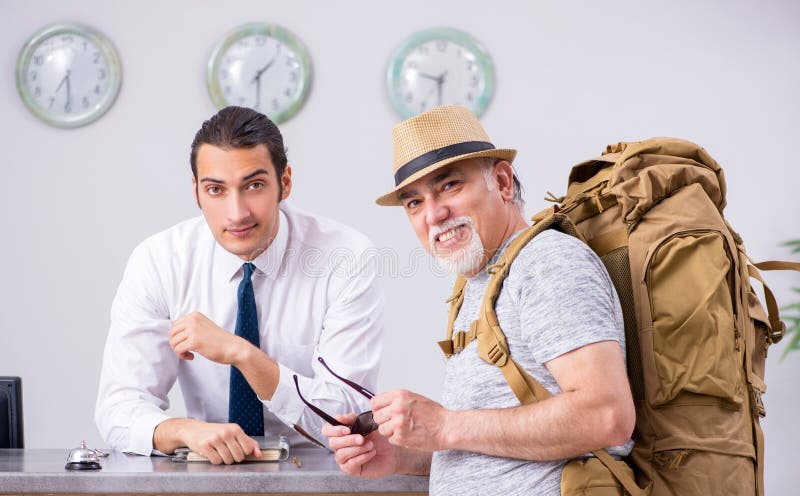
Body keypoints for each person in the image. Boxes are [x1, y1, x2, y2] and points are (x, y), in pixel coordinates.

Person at [322, 105, 635, 495]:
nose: (433, 215)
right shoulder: (482, 281)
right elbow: (497, 446)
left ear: (503, 182)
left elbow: (606, 416)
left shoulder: (547, 263)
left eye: (449, 185)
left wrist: (445, 425)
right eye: (414, 202)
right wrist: (406, 455)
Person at [95, 106, 384, 464]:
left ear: (286, 182)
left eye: (254, 185)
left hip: (318, 474)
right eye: (216, 189)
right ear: (196, 192)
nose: (237, 213)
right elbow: (118, 407)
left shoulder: (346, 257)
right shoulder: (159, 261)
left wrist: (243, 356)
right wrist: (184, 430)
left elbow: (347, 418)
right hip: (205, 471)